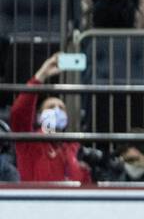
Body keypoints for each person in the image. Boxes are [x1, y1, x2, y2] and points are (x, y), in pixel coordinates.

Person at [8, 54, 91, 184]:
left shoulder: (74, 148)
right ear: (40, 117)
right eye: (51, 107)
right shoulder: (29, 143)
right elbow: (19, 113)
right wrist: (41, 75)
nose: (57, 110)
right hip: (37, 202)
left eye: (61, 108)